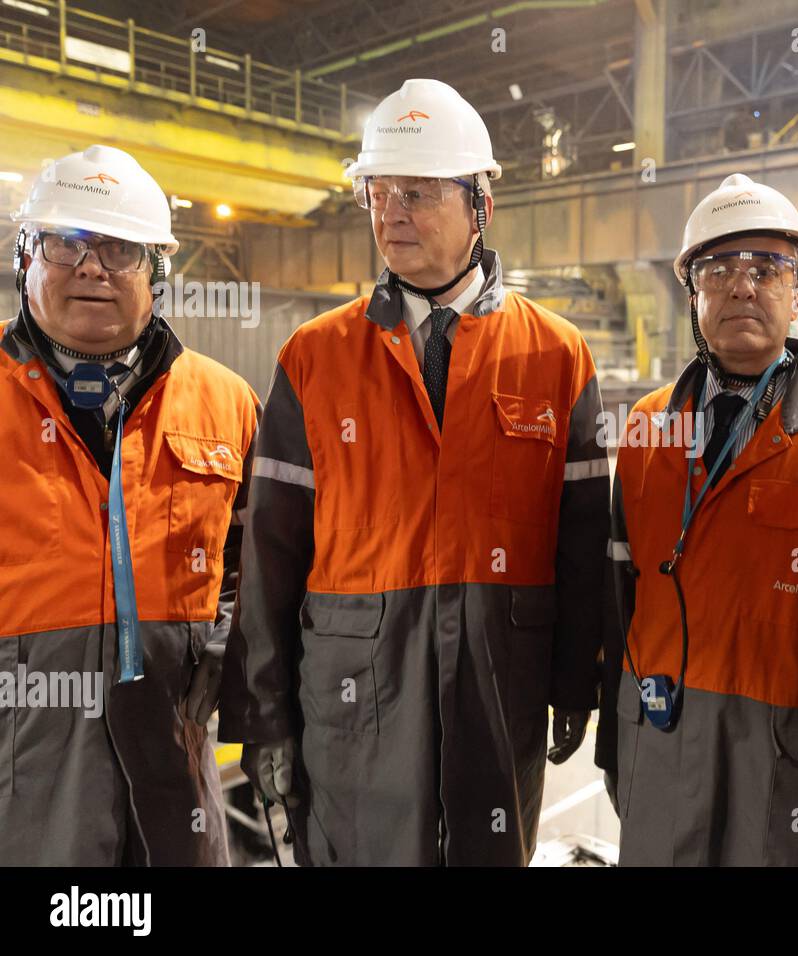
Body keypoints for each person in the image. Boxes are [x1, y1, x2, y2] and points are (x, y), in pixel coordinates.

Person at [220, 78, 608, 866]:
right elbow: (270, 555)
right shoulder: (315, 358)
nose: (392, 213)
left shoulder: (555, 355)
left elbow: (585, 542)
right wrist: (262, 715)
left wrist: (577, 678)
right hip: (356, 700)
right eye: (379, 192)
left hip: (498, 688)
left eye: (420, 193)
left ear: (480, 206)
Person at [596, 173, 798, 865]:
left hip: (795, 789)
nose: (743, 286)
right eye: (719, 269)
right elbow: (620, 610)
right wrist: (619, 755)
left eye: (768, 268)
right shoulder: (649, 427)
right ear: (694, 293)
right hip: (661, 763)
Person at [0, 145, 259, 865]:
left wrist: (223, 653)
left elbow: (260, 563)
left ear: (159, 271)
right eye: (64, 243)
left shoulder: (226, 403)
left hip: (175, 790)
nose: (91, 267)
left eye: (118, 248)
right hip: (21, 794)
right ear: (25, 258)